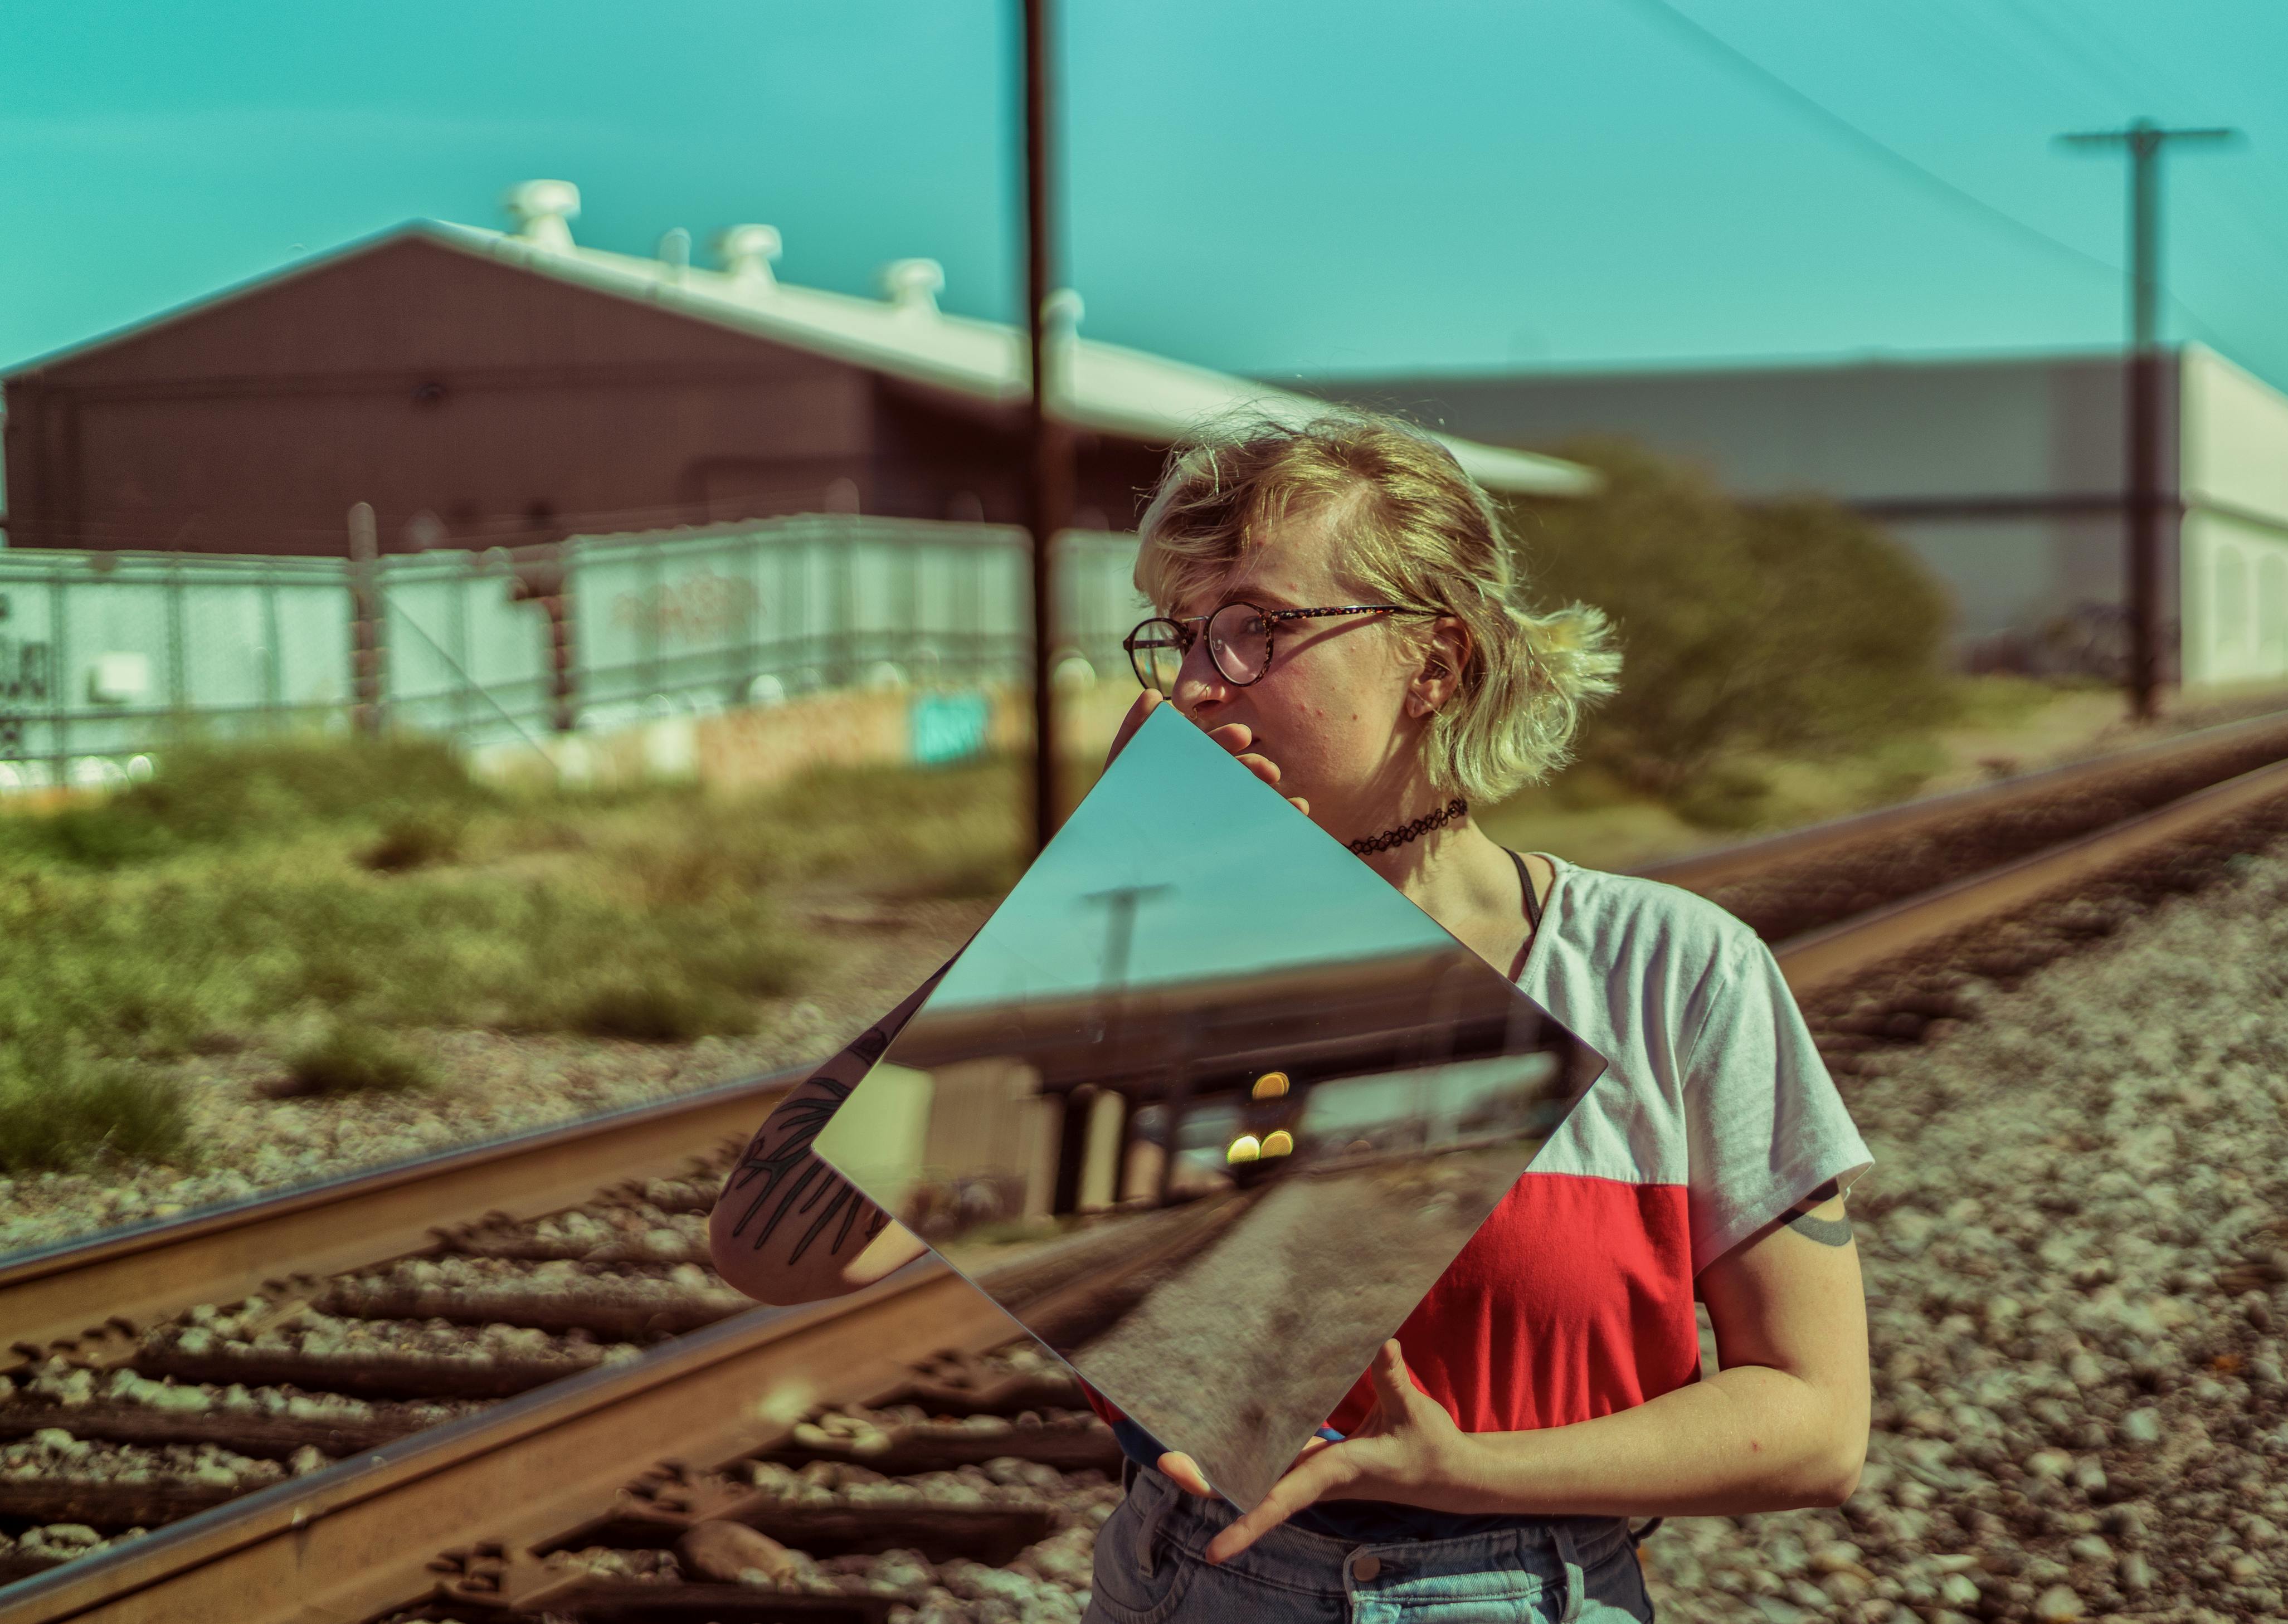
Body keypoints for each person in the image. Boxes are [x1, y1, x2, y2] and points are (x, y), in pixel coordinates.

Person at [709, 410, 1874, 1623]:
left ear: (1439, 663)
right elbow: (777, 1251)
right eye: (1182, 637)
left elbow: (1812, 1423)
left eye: (1261, 628)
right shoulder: (1173, 961)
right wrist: (1087, 895)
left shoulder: (1667, 968)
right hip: (1196, 1584)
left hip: (1525, 1593)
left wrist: (1465, 1471)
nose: (1201, 684)